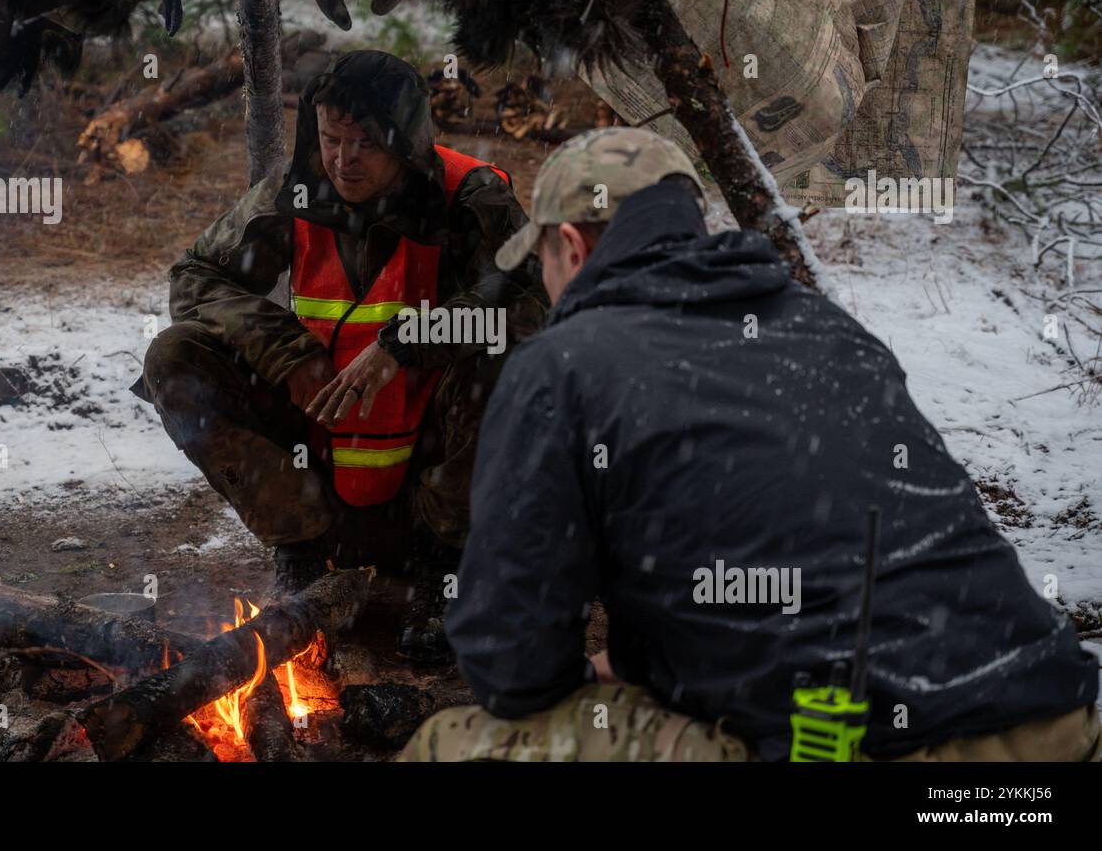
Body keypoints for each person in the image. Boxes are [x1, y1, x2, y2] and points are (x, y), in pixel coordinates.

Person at [401, 127, 1101, 760]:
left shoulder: (565, 366)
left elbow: (508, 661)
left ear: (573, 250)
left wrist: (605, 674)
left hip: (854, 746)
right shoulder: (829, 332)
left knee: (453, 744)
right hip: (1056, 730)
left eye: (546, 265)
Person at [134, 50, 546, 662]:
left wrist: (405, 346)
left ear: (406, 142)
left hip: (432, 481)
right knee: (175, 355)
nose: (343, 160)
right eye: (331, 139)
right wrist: (287, 353)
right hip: (323, 467)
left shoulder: (469, 197)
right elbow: (195, 279)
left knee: (512, 361)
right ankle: (301, 549)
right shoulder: (295, 194)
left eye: (365, 145)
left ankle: (447, 569)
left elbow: (528, 305)